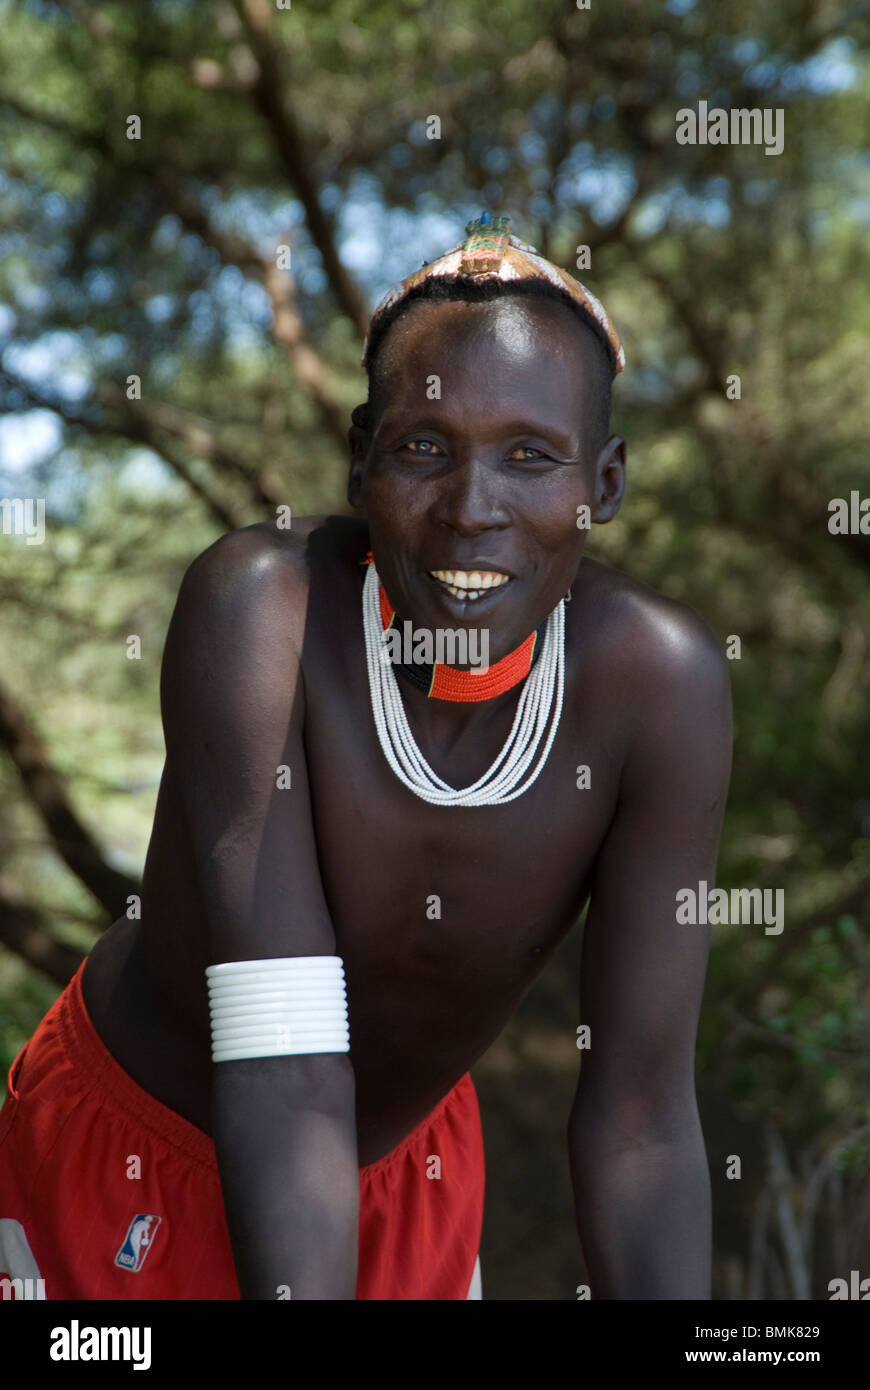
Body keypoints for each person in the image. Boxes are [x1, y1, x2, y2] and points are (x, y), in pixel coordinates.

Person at [0, 215, 732, 1300]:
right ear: (360, 460)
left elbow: (641, 1118)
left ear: (605, 485)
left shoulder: (659, 687)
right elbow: (287, 1067)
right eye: (424, 448)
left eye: (532, 457)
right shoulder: (264, 614)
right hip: (136, 1163)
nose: (471, 509)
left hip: (408, 1177)